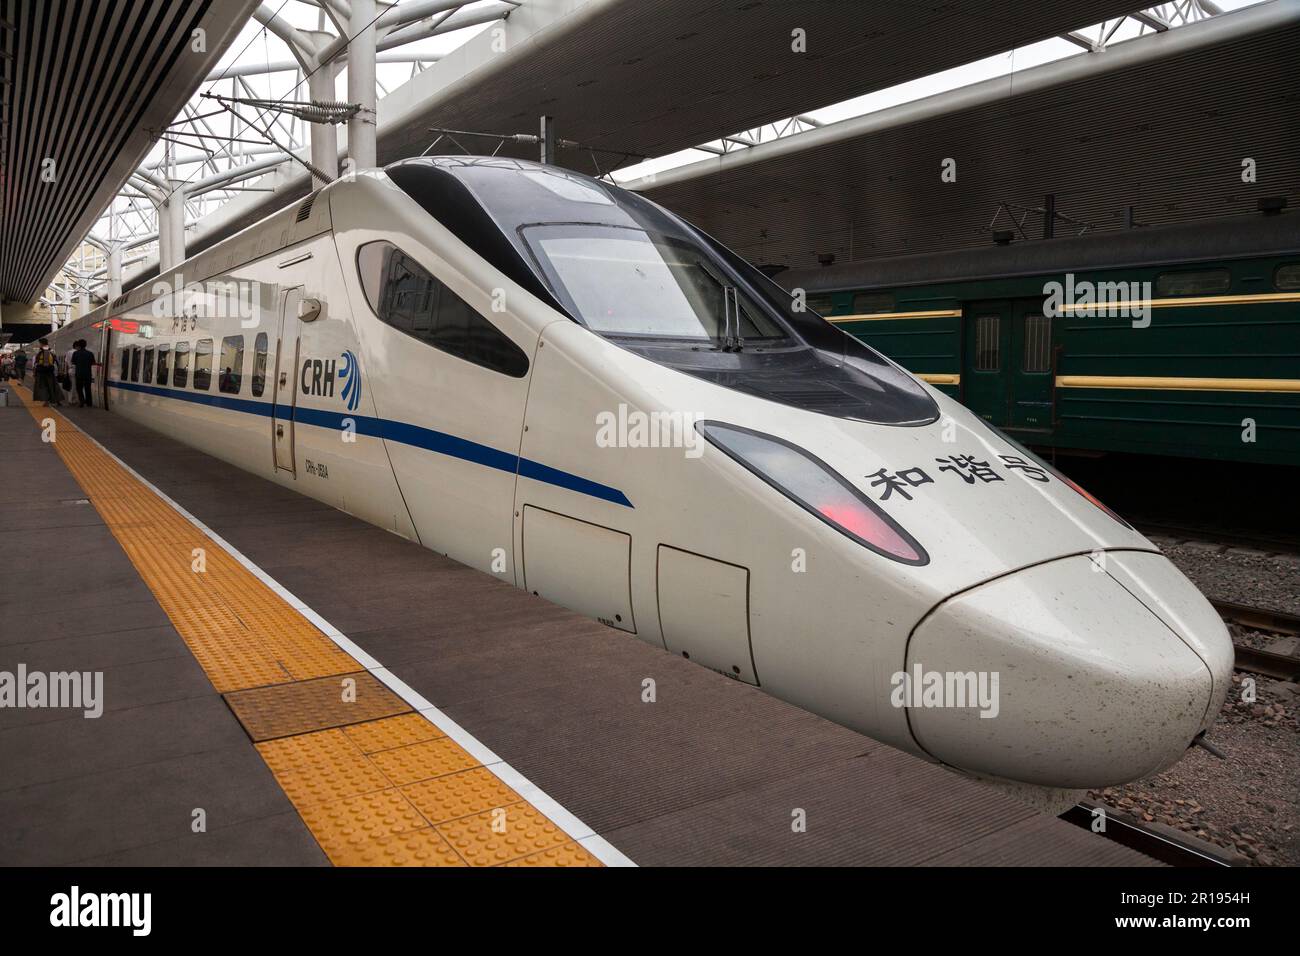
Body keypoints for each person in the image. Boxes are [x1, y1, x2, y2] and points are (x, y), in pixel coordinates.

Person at [31, 338, 61, 406]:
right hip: (50, 371)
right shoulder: (51, 350)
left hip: (43, 372)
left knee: (44, 386)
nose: (39, 345)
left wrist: (35, 371)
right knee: (53, 385)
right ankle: (57, 400)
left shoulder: (42, 351)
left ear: (41, 343)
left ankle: (47, 401)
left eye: (40, 343)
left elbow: (39, 363)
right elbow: (56, 361)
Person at [70, 339, 96, 408]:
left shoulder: (75, 353)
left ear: (79, 345)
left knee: (79, 389)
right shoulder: (90, 353)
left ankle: (81, 402)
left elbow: (73, 363)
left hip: (79, 374)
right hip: (88, 374)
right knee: (88, 389)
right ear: (85, 345)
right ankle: (89, 403)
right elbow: (93, 363)